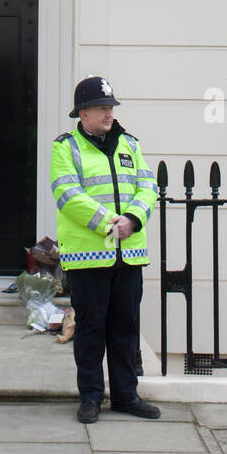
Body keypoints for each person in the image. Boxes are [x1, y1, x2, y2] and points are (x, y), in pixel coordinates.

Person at [50, 76, 160, 423]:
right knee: (91, 330)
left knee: (125, 328)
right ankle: (91, 398)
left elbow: (148, 187)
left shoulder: (130, 144)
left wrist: (133, 219)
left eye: (110, 107)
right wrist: (110, 223)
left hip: (128, 255)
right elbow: (68, 196)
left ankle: (127, 395)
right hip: (88, 257)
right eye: (101, 108)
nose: (109, 114)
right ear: (82, 113)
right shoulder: (65, 147)